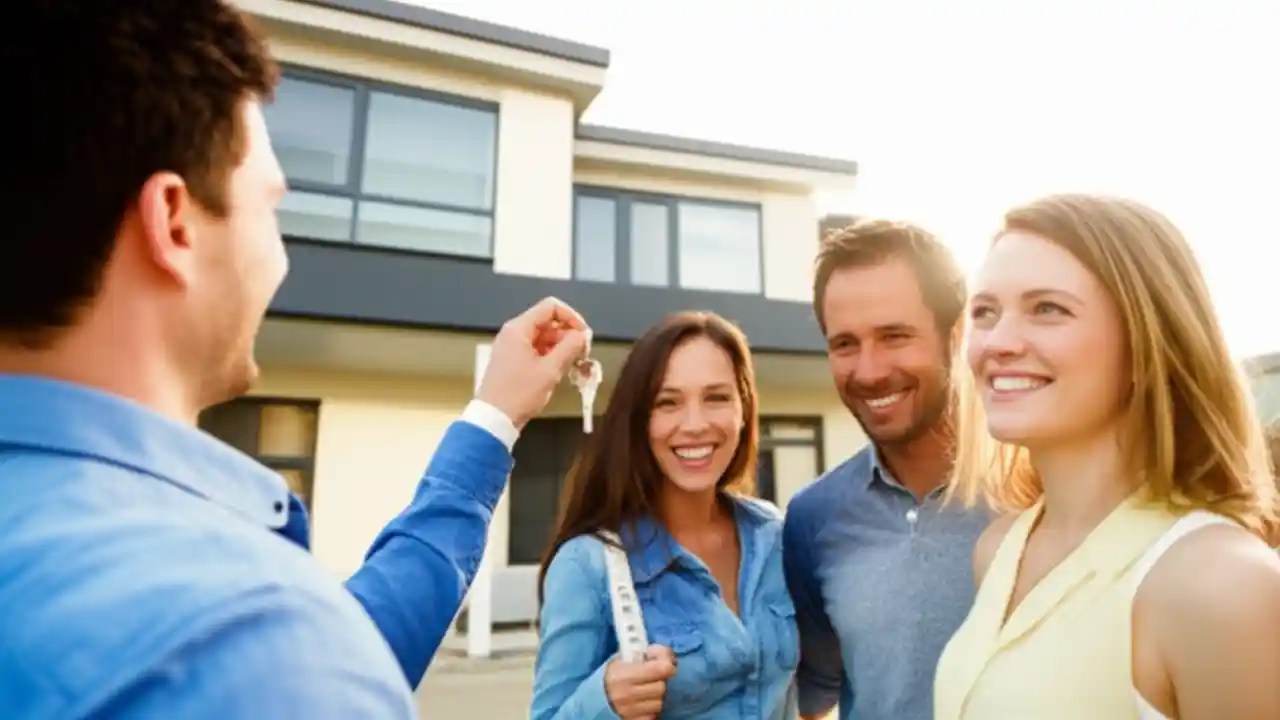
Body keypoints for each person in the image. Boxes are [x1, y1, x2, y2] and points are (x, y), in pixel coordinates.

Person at [0, 2, 591, 717]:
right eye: (271, 208)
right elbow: (302, 660)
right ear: (175, 224)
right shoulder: (252, 649)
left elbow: (353, 636)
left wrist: (494, 417)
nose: (279, 257)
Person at [933, 194, 1280, 720]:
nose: (997, 341)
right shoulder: (999, 549)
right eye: (985, 311)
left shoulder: (1223, 585)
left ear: (1149, 344)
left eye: (1048, 308)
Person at [530, 311, 799, 719]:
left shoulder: (773, 535)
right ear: (639, 421)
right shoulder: (587, 564)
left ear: (743, 410)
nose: (695, 425)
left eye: (716, 398)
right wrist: (604, 702)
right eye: (667, 402)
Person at [782, 219, 992, 720]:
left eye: (894, 336)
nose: (869, 371)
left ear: (956, 333)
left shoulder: (1039, 489)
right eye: (845, 344)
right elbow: (816, 696)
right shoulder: (813, 518)